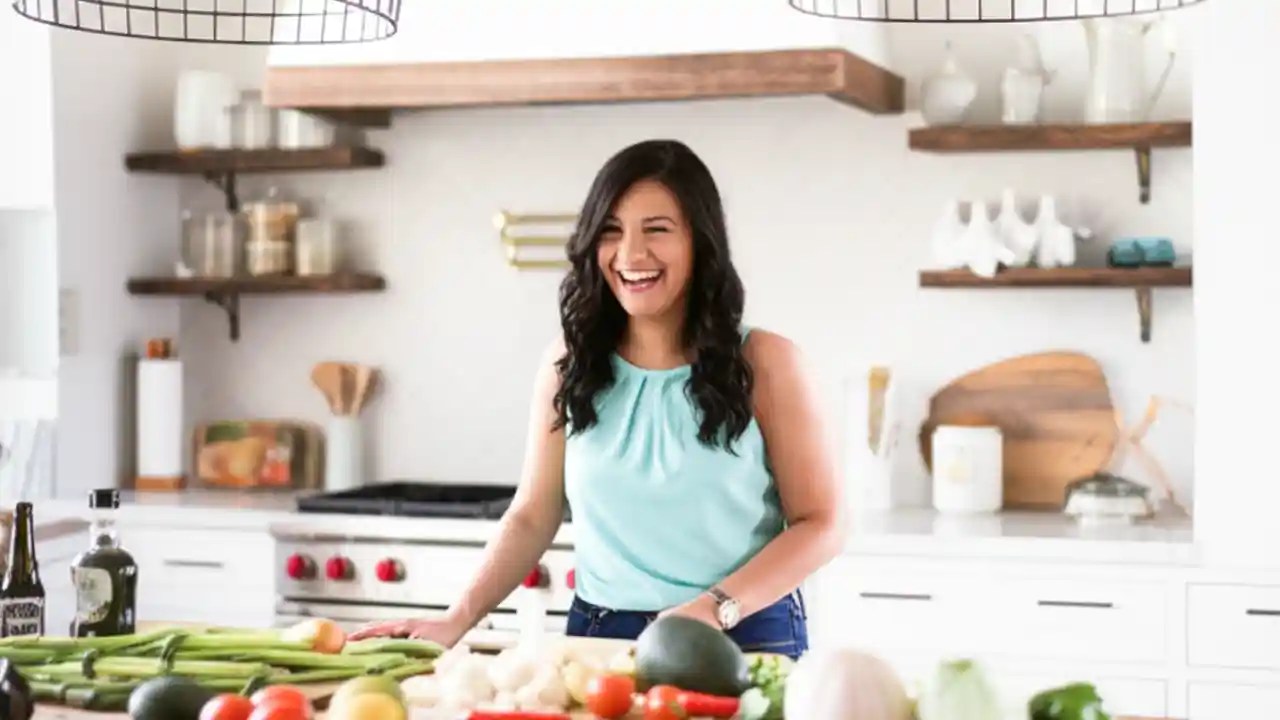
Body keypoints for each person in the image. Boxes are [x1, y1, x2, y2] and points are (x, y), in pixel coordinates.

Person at [349, 139, 844, 658]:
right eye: (611, 231)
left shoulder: (767, 363)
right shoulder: (569, 364)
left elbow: (822, 523)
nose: (631, 255)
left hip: (740, 628)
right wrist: (459, 617)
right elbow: (532, 514)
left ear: (700, 242)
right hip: (602, 635)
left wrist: (716, 606)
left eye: (657, 230)